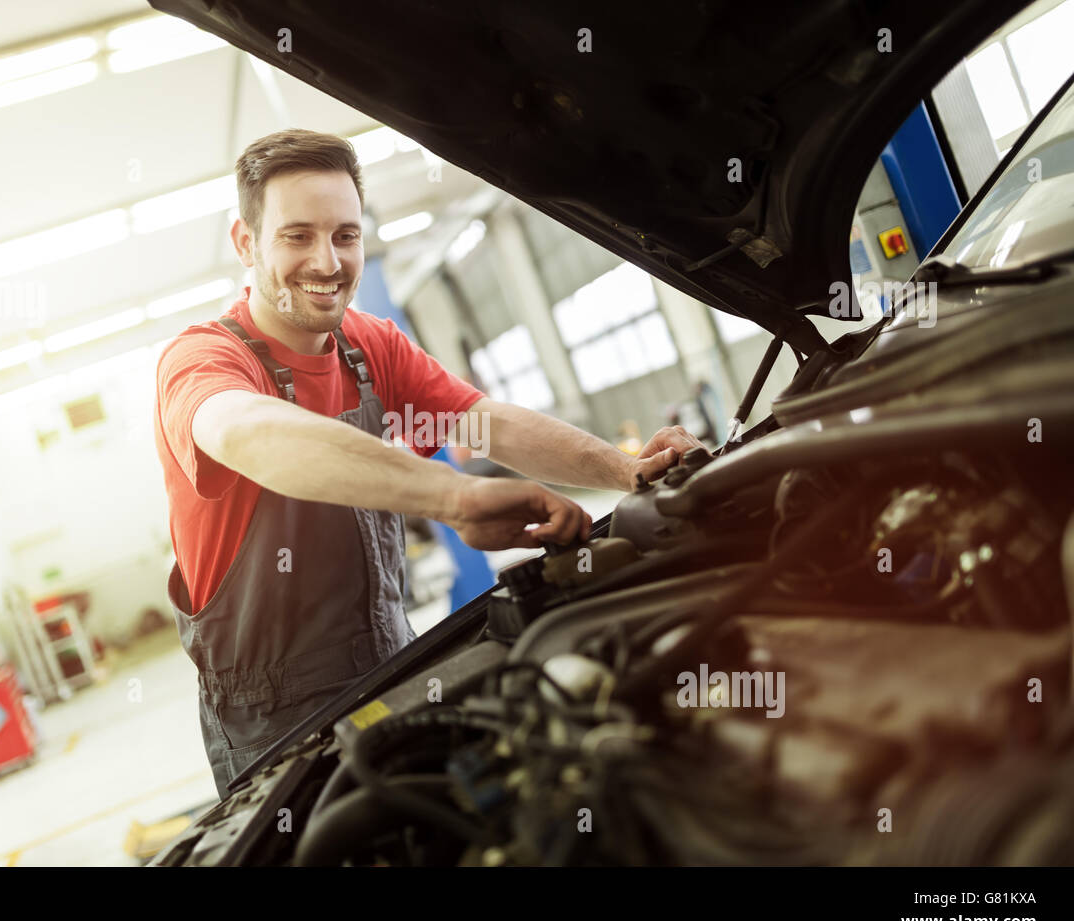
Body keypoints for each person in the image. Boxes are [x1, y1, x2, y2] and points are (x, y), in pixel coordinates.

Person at [154, 128, 705, 795]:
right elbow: (251, 433)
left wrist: (625, 471)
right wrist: (455, 497)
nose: (327, 261)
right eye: (296, 236)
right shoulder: (205, 361)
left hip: (395, 662)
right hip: (277, 722)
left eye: (346, 236)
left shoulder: (368, 346)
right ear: (247, 244)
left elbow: (481, 420)